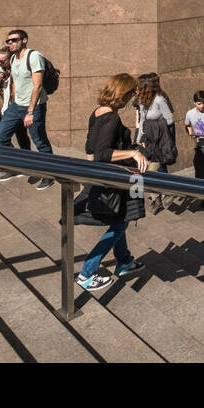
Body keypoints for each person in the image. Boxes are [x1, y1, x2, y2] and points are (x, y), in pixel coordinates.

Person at [75, 73, 149, 291]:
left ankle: (124, 260)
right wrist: (133, 154)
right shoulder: (112, 118)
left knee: (121, 219)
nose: (130, 100)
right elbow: (102, 153)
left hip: (103, 178)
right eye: (130, 95)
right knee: (120, 224)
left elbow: (90, 149)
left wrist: (91, 178)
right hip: (113, 180)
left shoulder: (96, 113)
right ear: (123, 94)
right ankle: (87, 273)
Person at [0, 29, 55, 191]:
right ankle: (17, 167)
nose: (11, 43)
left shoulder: (34, 57)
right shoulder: (13, 58)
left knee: (40, 141)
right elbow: (15, 82)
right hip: (16, 106)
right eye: (9, 41)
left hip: (33, 107)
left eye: (14, 40)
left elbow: (38, 85)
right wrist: (13, 102)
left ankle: (49, 175)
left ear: (24, 40)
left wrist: (30, 111)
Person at [133, 73, 175, 214]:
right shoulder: (145, 100)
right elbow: (142, 121)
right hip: (147, 140)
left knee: (151, 171)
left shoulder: (160, 100)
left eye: (140, 86)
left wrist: (155, 128)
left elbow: (169, 120)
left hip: (159, 141)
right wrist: (139, 138)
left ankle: (167, 192)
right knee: (143, 169)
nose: (137, 88)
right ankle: (157, 197)